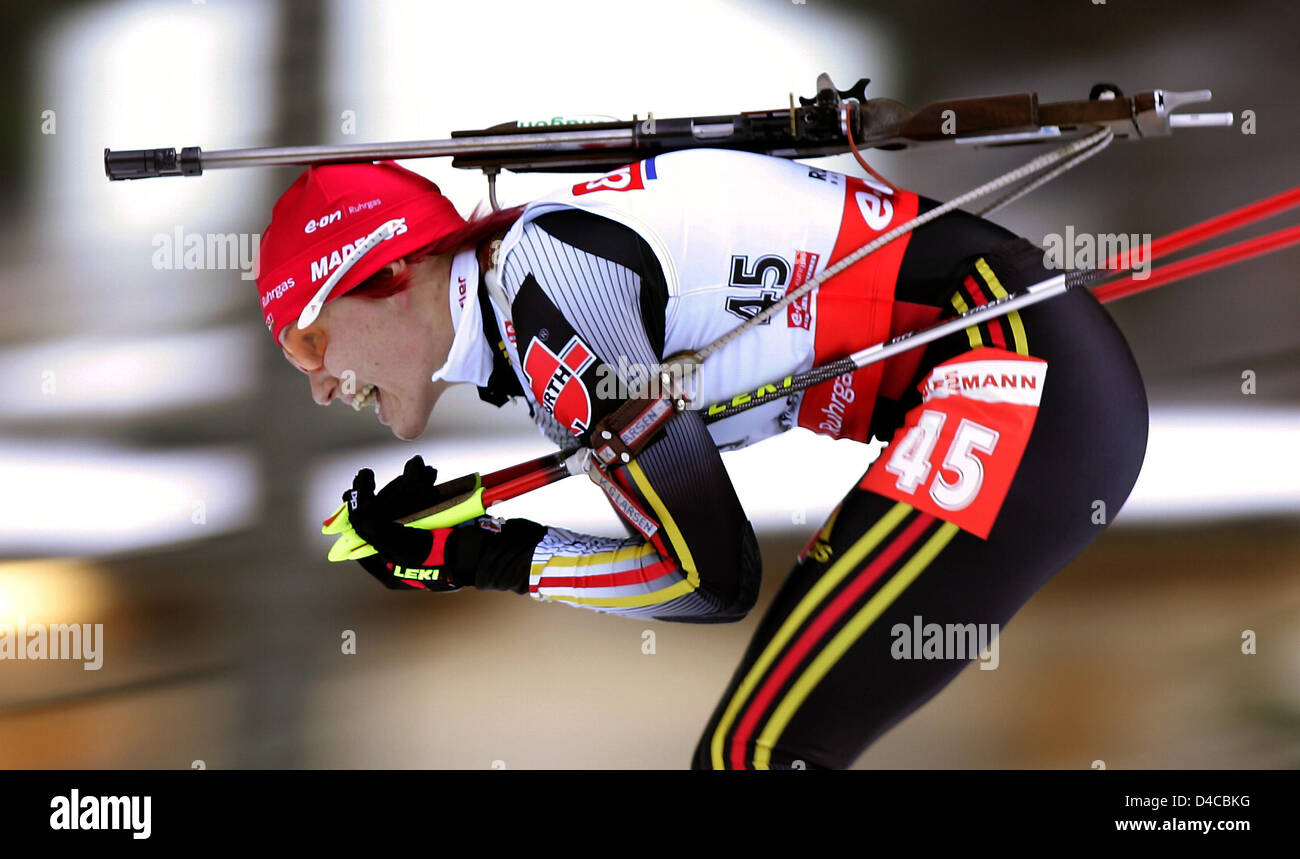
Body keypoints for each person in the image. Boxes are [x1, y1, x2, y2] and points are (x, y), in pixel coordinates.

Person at [255, 149, 1148, 769]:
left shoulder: (549, 291)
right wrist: (488, 549)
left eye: (304, 343)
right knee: (759, 751)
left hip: (1017, 367)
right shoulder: (532, 303)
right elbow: (696, 563)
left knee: (758, 752)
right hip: (1022, 367)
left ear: (384, 271)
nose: (321, 385)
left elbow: (710, 577)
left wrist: (496, 555)